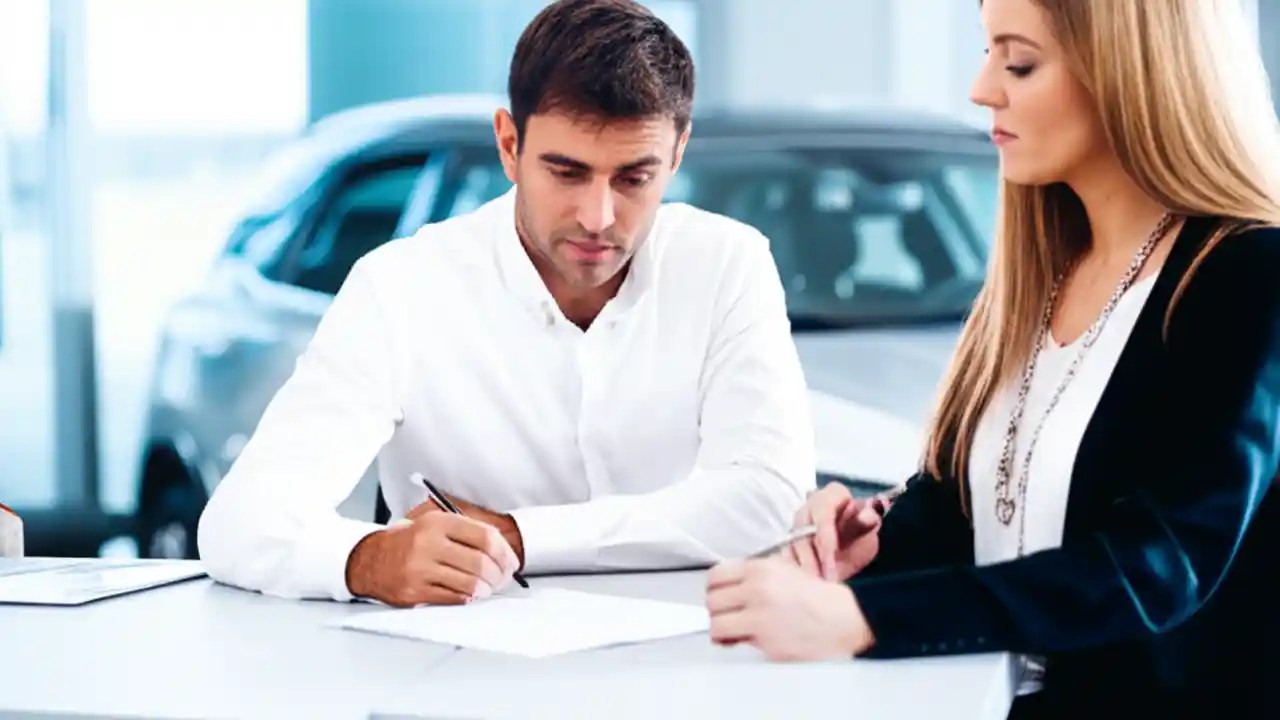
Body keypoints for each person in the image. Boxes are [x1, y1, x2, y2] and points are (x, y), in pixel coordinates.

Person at [705, 0, 1280, 716]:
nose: (981, 89)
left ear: (1126, 74)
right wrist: (877, 542)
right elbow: (975, 510)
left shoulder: (1245, 273)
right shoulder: (1039, 276)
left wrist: (867, 620)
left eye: (1018, 62)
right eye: (986, 55)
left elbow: (1158, 562)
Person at [198, 0, 814, 607]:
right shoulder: (401, 287)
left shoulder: (729, 264)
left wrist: (516, 536)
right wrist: (364, 560)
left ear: (676, 154)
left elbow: (770, 501)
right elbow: (239, 521)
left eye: (633, 178)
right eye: (566, 172)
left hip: (690, 678)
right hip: (461, 682)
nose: (598, 218)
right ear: (508, 144)